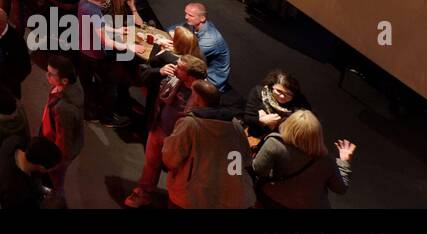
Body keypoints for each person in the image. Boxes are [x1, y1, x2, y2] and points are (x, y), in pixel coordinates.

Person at [123, 53, 209, 208]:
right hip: (159, 128)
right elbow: (143, 78)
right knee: (150, 165)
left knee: (176, 175)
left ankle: (173, 203)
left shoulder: (203, 95)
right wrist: (159, 71)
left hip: (178, 140)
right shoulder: (172, 79)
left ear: (188, 76)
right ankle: (143, 194)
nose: (174, 68)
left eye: (179, 67)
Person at [161, 81, 256, 209]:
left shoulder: (190, 124)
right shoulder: (235, 125)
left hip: (192, 194)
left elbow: (171, 158)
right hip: (228, 196)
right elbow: (242, 159)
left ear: (197, 99)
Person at [251, 110, 354, 209]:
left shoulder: (274, 144)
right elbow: (340, 189)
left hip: (272, 200)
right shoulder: (326, 160)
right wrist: (344, 161)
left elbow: (259, 171)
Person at [40, 55, 85, 199]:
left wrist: (56, 161)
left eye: (51, 74)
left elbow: (64, 141)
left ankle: (57, 198)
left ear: (65, 80)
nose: (47, 76)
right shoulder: (67, 86)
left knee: (56, 177)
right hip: (49, 136)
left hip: (57, 151)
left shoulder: (64, 108)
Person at [0, 135, 62, 208]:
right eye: (52, 168)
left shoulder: (14, 141)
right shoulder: (16, 192)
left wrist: (42, 189)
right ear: (42, 167)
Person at [176, 1, 230, 90]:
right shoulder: (195, 25)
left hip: (211, 81)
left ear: (202, 18)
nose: (186, 17)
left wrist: (171, 43)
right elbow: (174, 28)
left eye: (190, 15)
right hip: (202, 67)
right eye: (186, 14)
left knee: (176, 68)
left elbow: (187, 59)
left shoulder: (209, 40)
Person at [243, 69, 311, 139]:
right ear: (272, 86)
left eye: (288, 94)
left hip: (281, 141)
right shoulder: (258, 92)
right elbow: (247, 118)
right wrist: (262, 121)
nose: (282, 96)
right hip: (256, 137)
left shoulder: (298, 105)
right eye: (279, 91)